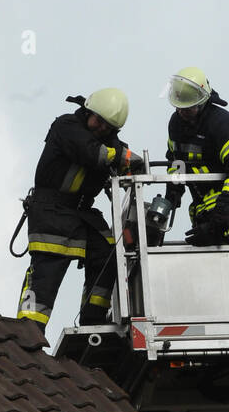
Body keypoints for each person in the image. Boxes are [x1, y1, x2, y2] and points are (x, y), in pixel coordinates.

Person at [17, 89, 138, 335]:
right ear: (87, 112)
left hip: (81, 213)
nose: (100, 129)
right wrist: (123, 156)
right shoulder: (67, 126)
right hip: (51, 210)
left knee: (107, 254)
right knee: (47, 272)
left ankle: (93, 320)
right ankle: (27, 333)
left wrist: (132, 167)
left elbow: (118, 162)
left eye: (107, 127)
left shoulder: (108, 141)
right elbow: (94, 154)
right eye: (98, 121)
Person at [163, 67, 229, 247]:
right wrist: (174, 191)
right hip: (202, 207)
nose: (182, 113)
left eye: (188, 109)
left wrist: (221, 215)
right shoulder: (176, 124)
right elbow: (176, 161)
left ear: (202, 101)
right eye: (179, 107)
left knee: (226, 260)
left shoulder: (223, 123)